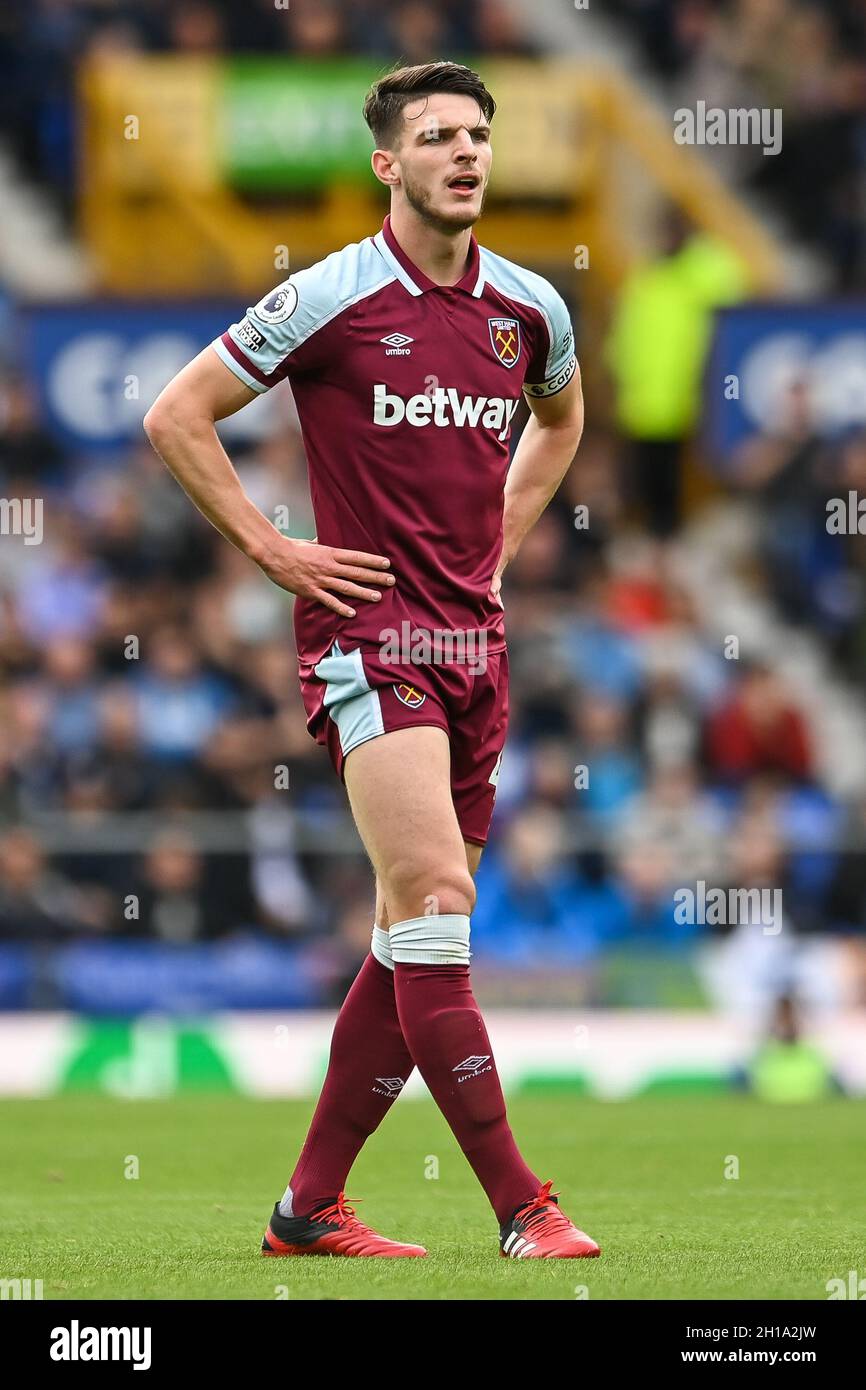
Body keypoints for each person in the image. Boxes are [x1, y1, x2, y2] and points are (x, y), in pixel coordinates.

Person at [144, 60, 597, 1260]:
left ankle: (307, 1208)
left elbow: (561, 422)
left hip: (474, 646)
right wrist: (272, 550)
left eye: (478, 135)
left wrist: (500, 541)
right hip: (368, 637)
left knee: (410, 934)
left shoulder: (531, 310)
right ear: (386, 164)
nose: (465, 153)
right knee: (439, 904)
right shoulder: (329, 297)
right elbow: (176, 414)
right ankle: (521, 1205)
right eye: (438, 135)